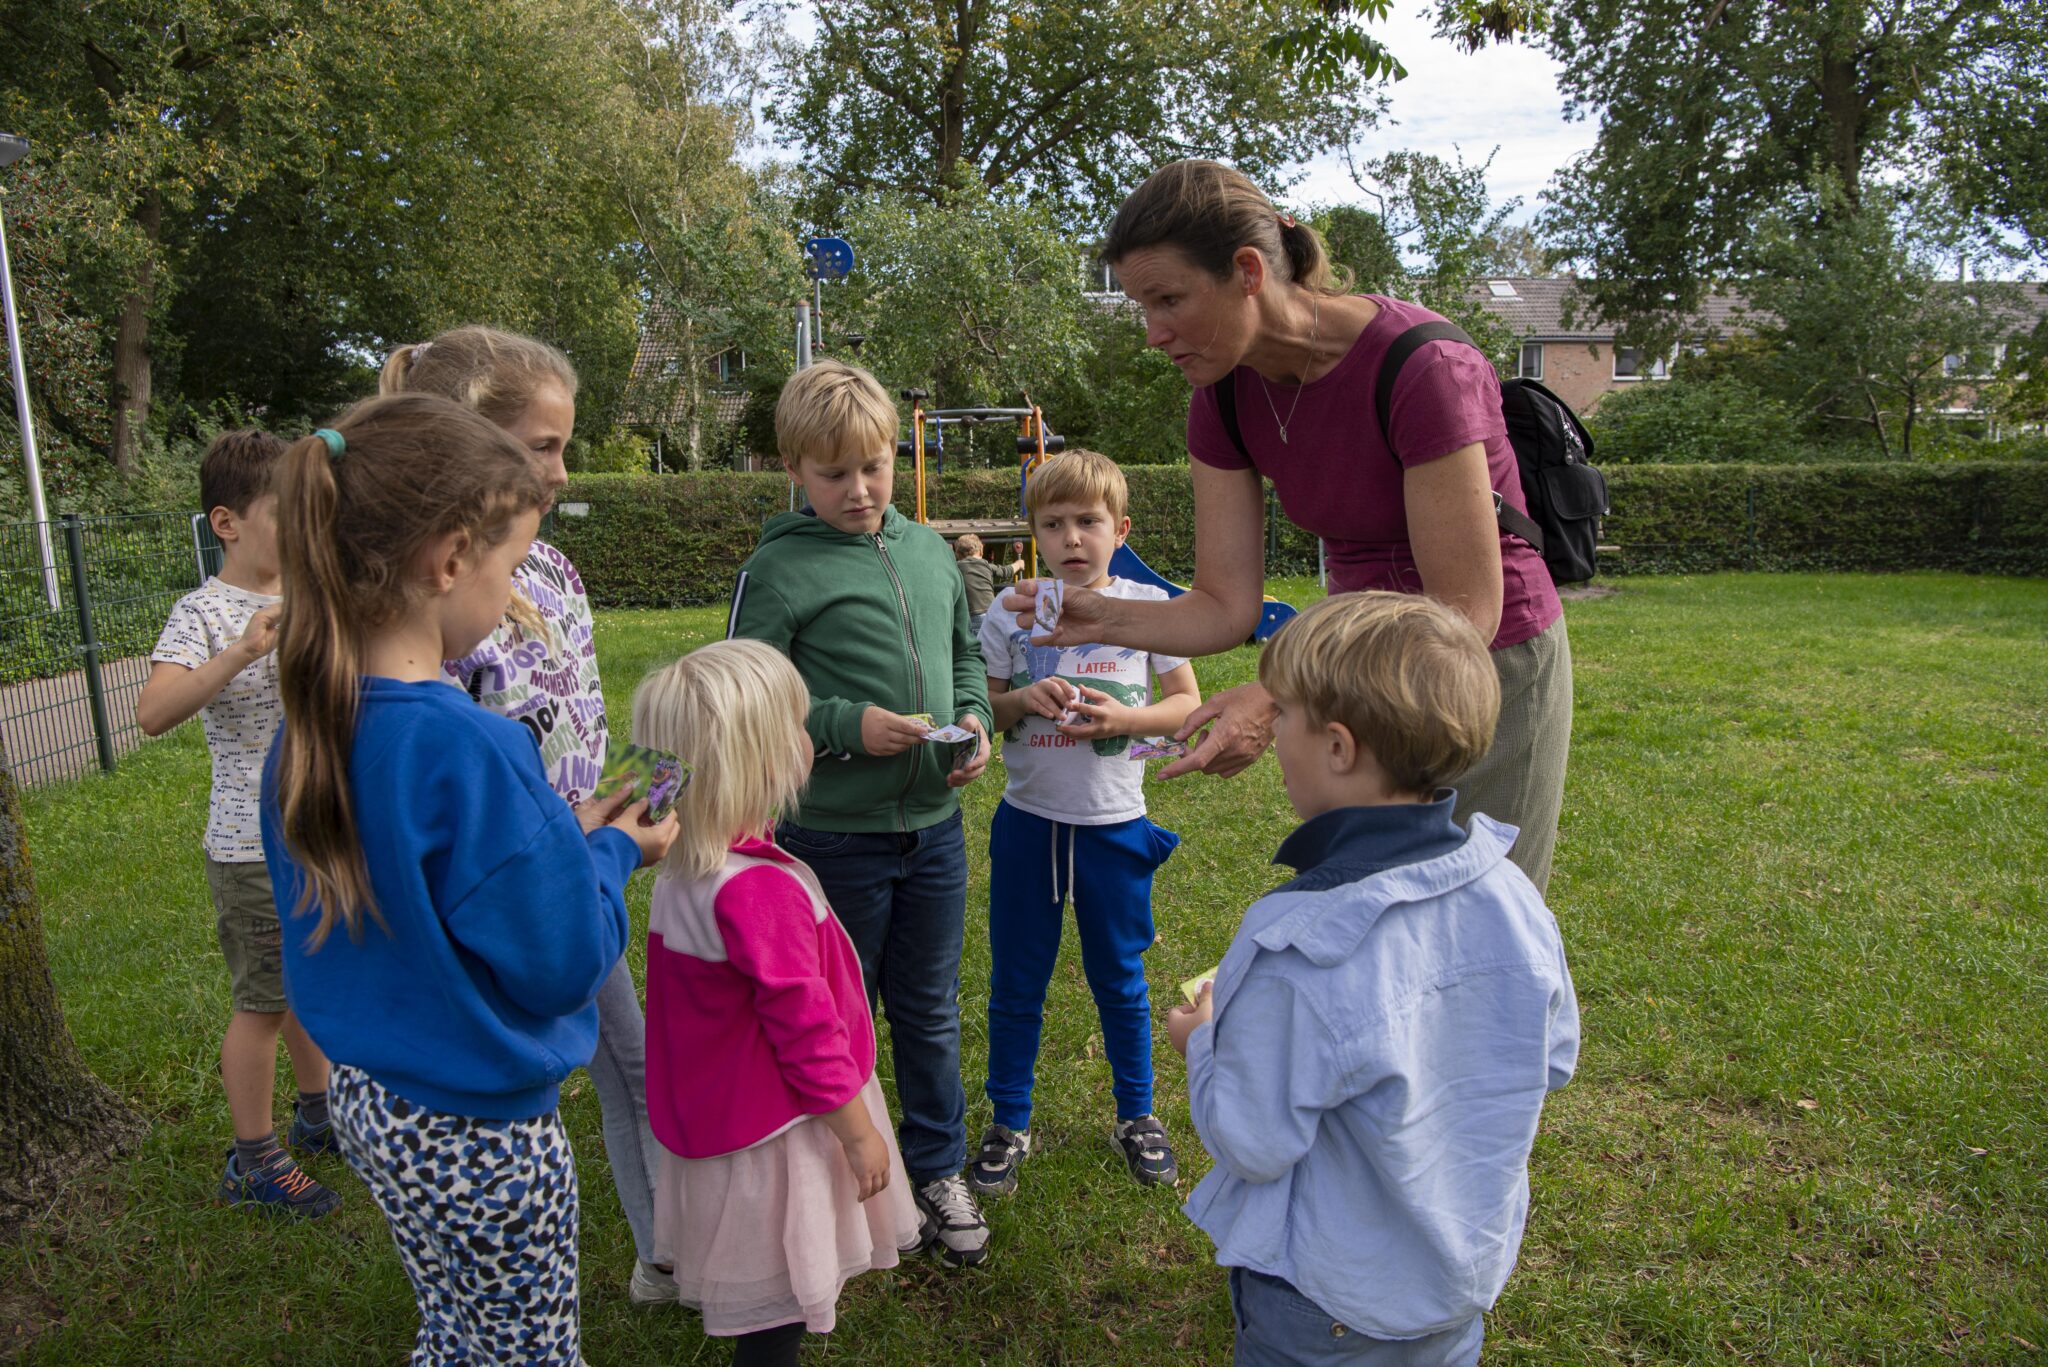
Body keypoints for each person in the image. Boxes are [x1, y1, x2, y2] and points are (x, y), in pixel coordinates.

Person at [1006, 158, 1573, 892]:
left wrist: (1274, 695)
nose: (1153, 333)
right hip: (1352, 669)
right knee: (1370, 908)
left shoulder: (1421, 365)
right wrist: (1098, 614)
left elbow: (1464, 612)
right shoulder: (1223, 396)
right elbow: (1225, 604)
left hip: (1485, 664)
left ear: (1247, 270)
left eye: (1169, 299)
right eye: (1145, 307)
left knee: (1480, 915)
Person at [259, 395, 678, 1362]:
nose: (513, 587)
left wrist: (553, 837)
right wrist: (619, 851)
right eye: (510, 562)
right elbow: (560, 957)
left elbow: (430, 893)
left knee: (455, 1323)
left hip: (374, 1103)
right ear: (449, 561)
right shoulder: (470, 742)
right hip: (480, 1135)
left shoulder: (309, 728)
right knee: (529, 1349)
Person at [1165, 592, 1578, 1366]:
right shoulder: (1512, 890)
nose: (1273, 731)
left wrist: (1204, 1042)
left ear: (1340, 746)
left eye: (1283, 714)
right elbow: (1550, 1056)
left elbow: (1252, 1138)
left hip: (1324, 1307)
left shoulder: (1297, 939)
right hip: (1456, 1288)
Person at [379, 324, 675, 1302]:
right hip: (512, 895)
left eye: (562, 443)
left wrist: (621, 806)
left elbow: (573, 712)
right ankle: (545, 1259)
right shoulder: (430, 599)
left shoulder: (549, 571)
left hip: (577, 860)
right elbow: (448, 776)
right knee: (567, 1071)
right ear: (469, 442)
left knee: (633, 1060)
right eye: (540, 446)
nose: (560, 467)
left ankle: (660, 1250)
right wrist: (587, 838)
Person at [726, 358, 998, 1267]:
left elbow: (965, 656)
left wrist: (977, 721)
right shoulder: (777, 566)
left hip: (934, 831)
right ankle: (834, 1170)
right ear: (793, 470)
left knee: (927, 1008)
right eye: (834, 472)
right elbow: (745, 692)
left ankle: (938, 1166)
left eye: (874, 466)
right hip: (832, 837)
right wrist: (844, 725)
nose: (859, 489)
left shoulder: (930, 552)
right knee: (837, 1011)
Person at [635, 640, 925, 1366]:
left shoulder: (683, 870)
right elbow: (806, 1030)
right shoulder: (757, 889)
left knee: (764, 1307)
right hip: (783, 1130)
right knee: (777, 1310)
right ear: (761, 759)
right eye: (796, 724)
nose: (808, 738)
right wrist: (858, 1133)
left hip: (721, 1121)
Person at [969, 450, 1200, 1197]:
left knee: (1120, 979)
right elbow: (985, 709)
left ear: (1120, 528)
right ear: (1034, 534)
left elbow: (1186, 710)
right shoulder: (1010, 612)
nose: (1072, 537)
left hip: (1114, 825)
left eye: (1088, 522)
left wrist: (1126, 716)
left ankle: (1137, 1114)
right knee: (1017, 978)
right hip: (1029, 822)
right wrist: (1020, 703)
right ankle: (1009, 1119)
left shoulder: (1146, 607)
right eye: (1054, 523)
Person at [138, 429, 341, 1219]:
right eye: (281, 511)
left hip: (314, 834)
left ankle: (318, 1114)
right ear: (226, 522)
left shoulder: (313, 593)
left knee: (307, 983)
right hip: (249, 844)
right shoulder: (205, 610)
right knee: (263, 999)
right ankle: (252, 1158)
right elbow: (154, 710)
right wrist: (241, 652)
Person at [951, 532, 1025, 638]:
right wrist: (1019, 564)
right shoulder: (986, 565)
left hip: (969, 615)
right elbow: (1005, 572)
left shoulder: (956, 568)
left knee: (974, 645)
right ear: (981, 551)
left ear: (957, 554)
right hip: (991, 613)